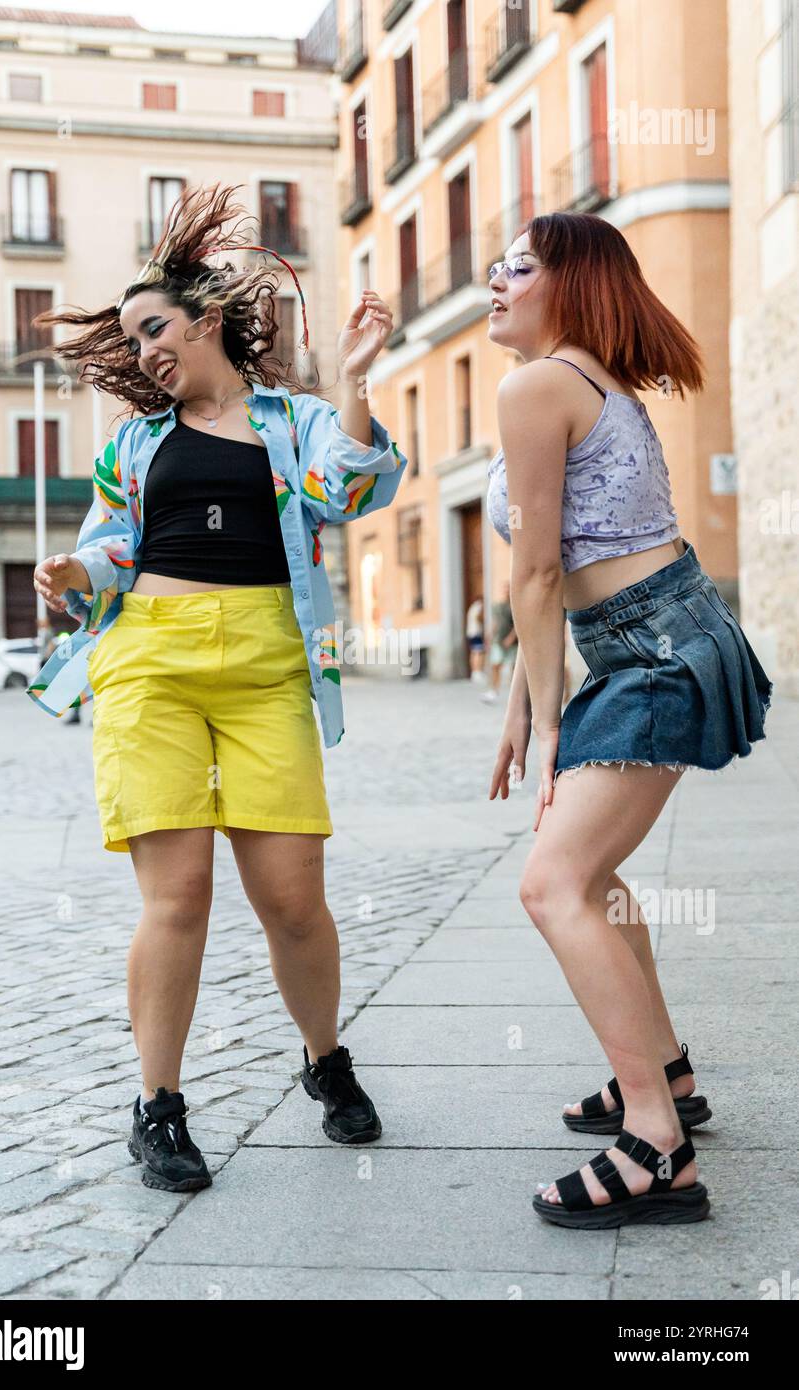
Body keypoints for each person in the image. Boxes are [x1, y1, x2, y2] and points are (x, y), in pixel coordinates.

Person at [28, 184, 408, 1192]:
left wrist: (358, 377)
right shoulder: (133, 447)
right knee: (178, 893)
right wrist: (74, 577)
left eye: (155, 327)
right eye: (131, 339)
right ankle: (158, 1107)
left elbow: (351, 487)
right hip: (147, 660)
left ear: (205, 319)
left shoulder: (294, 421)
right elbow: (107, 551)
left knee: (292, 900)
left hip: (267, 663)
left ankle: (325, 1059)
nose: (145, 350)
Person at [484, 212, 772, 1229]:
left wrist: (549, 717)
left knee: (553, 882)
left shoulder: (540, 385)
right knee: (590, 878)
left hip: (650, 648)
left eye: (514, 268)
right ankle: (664, 1074)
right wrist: (525, 698)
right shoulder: (585, 379)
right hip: (661, 631)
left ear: (566, 284)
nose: (493, 282)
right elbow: (556, 563)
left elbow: (532, 567)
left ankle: (655, 1143)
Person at [481, 580, 517, 703]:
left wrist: (511, 638)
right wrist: (489, 635)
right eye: (504, 588)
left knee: (514, 667)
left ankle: (515, 694)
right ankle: (493, 690)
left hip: (513, 642)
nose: (506, 590)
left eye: (508, 588)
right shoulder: (497, 606)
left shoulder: (515, 606)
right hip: (498, 640)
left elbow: (517, 625)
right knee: (495, 665)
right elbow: (496, 622)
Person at [465, 595, 485, 681]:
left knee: (473, 652)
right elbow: (478, 617)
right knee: (479, 652)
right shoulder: (479, 606)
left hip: (470, 633)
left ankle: (474, 672)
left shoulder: (472, 607)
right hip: (477, 632)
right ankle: (478, 672)